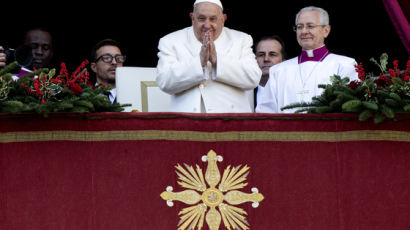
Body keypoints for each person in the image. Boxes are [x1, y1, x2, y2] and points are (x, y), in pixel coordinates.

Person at [156, 0, 261, 113]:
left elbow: (253, 78)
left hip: (231, 119)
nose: (207, 25)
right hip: (187, 120)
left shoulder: (241, 40)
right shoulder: (170, 41)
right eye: (201, 18)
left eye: (213, 19)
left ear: (223, 19)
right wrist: (199, 62)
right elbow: (164, 82)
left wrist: (217, 61)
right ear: (192, 18)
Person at [256, 6, 358, 113]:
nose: (304, 31)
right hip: (287, 129)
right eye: (299, 27)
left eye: (310, 26)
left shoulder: (344, 65)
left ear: (326, 30)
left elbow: (351, 108)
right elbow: (265, 113)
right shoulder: (278, 71)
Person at [90, 39, 126, 104]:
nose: (114, 62)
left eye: (118, 58)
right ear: (94, 67)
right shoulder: (81, 98)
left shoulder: (134, 96)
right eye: (106, 58)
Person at [254, 35, 286, 106]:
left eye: (272, 54)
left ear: (284, 62)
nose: (266, 59)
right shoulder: (244, 93)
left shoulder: (290, 92)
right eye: (261, 55)